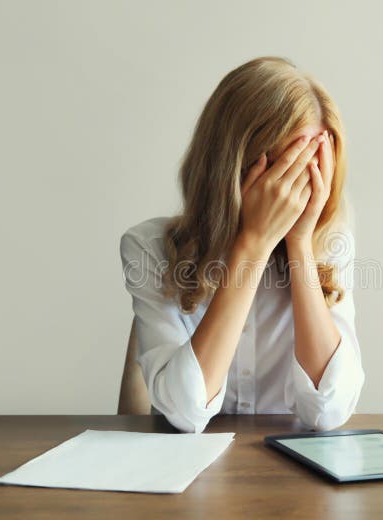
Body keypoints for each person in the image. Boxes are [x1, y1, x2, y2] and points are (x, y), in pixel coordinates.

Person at [119, 56, 365, 434]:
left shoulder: (330, 243)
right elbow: (186, 413)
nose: (293, 194)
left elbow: (330, 411)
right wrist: (251, 245)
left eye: (310, 171)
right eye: (285, 172)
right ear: (232, 166)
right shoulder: (148, 248)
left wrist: (299, 243)